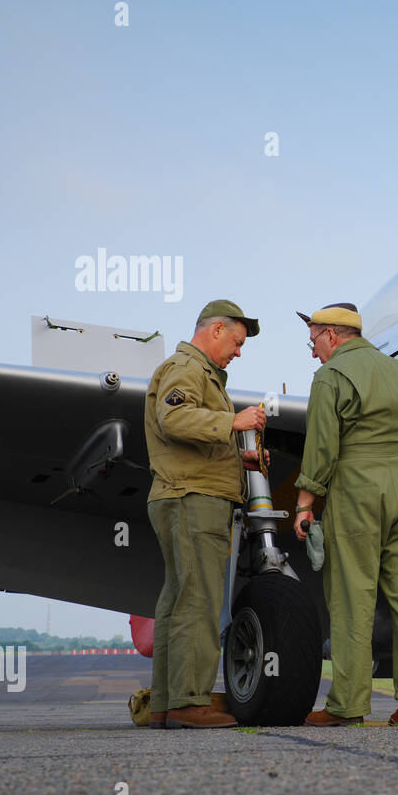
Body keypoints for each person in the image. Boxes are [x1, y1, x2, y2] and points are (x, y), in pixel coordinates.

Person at [291, 303, 398, 726]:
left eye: (314, 341)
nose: (313, 351)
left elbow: (321, 449)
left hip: (357, 490)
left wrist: (304, 504)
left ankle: (348, 706)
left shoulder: (331, 376)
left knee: (353, 599)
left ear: (333, 336)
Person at [145, 300, 267, 729]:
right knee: (199, 600)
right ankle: (190, 703)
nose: (238, 351)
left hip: (184, 492)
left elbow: (191, 435)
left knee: (178, 599)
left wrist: (241, 458)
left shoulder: (198, 373)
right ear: (216, 330)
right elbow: (175, 418)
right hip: (193, 498)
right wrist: (234, 423)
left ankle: (165, 702)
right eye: (236, 341)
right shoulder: (189, 368)